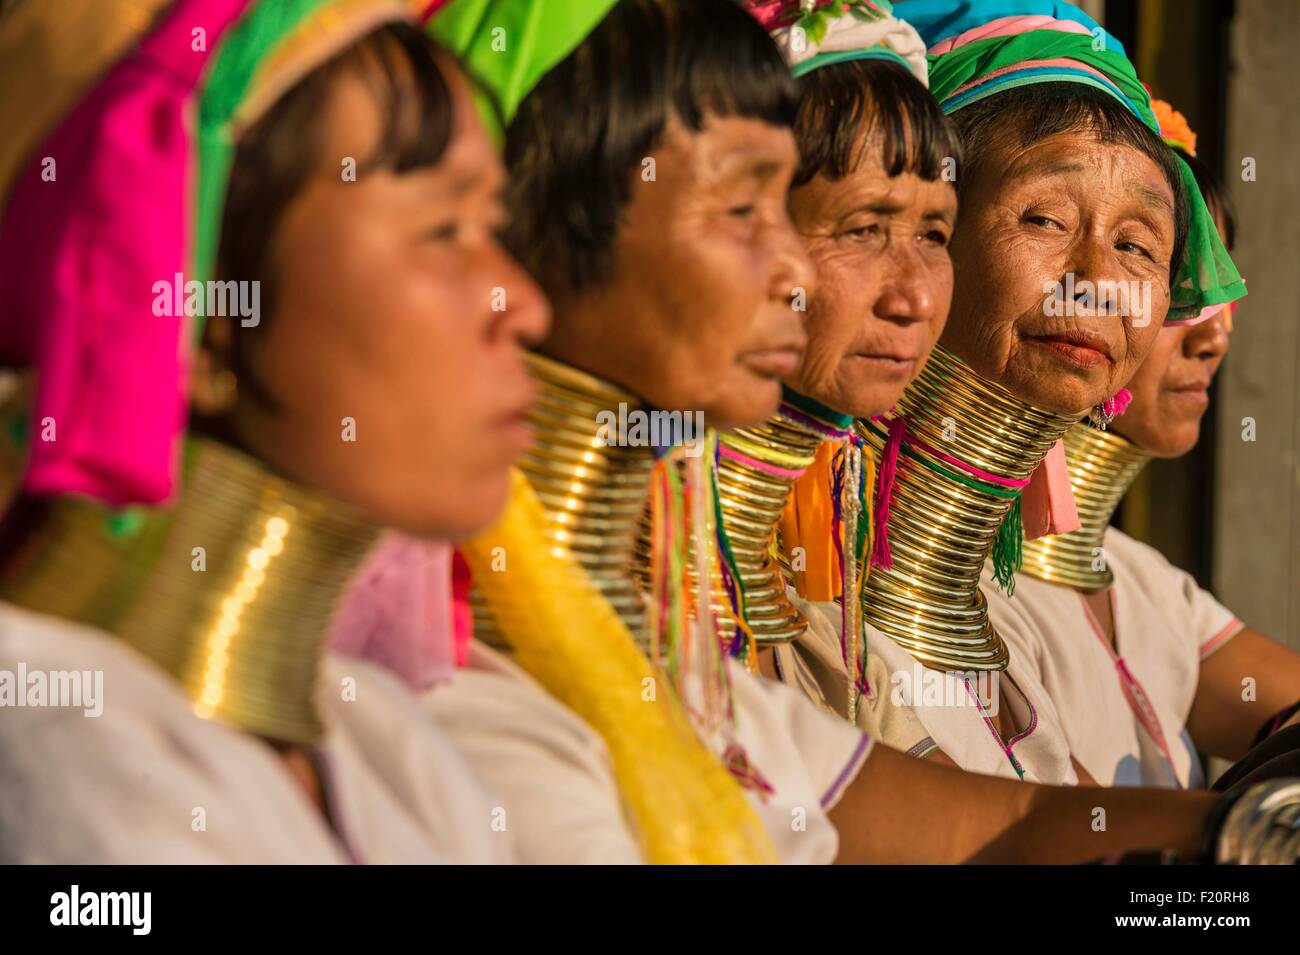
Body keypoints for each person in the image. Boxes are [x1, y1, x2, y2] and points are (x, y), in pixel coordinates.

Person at [0, 0, 547, 863]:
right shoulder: (65, 775)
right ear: (202, 303)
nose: (522, 304)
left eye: (496, 229)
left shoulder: (381, 742)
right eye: (445, 231)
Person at [985, 101, 1300, 786]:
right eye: (1185, 292)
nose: (1215, 336)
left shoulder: (1141, 583)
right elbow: (1057, 831)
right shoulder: (958, 585)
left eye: (1136, 250)